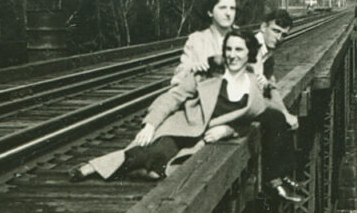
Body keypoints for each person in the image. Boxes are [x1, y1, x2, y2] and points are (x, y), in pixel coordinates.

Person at [70, 29, 293, 188]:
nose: (233, 55)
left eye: (239, 50)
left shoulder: (254, 83)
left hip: (203, 139)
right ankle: (92, 167)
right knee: (147, 154)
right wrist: (150, 124)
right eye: (229, 49)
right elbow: (173, 97)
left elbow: (259, 117)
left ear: (249, 54)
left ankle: (149, 170)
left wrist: (230, 130)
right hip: (183, 126)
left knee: (162, 170)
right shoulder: (206, 73)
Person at [252, 9, 303, 202]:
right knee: (275, 119)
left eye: (283, 34)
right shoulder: (252, 48)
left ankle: (283, 173)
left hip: (248, 97)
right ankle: (272, 179)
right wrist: (282, 114)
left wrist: (286, 111)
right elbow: (255, 94)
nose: (279, 37)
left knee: (284, 117)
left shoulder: (268, 52)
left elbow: (271, 88)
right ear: (263, 27)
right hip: (229, 101)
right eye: (275, 31)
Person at [171, 0, 237, 84]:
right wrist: (193, 68)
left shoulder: (243, 40)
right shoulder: (196, 40)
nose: (228, 13)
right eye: (222, 8)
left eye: (232, 8)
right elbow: (177, 78)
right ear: (210, 12)